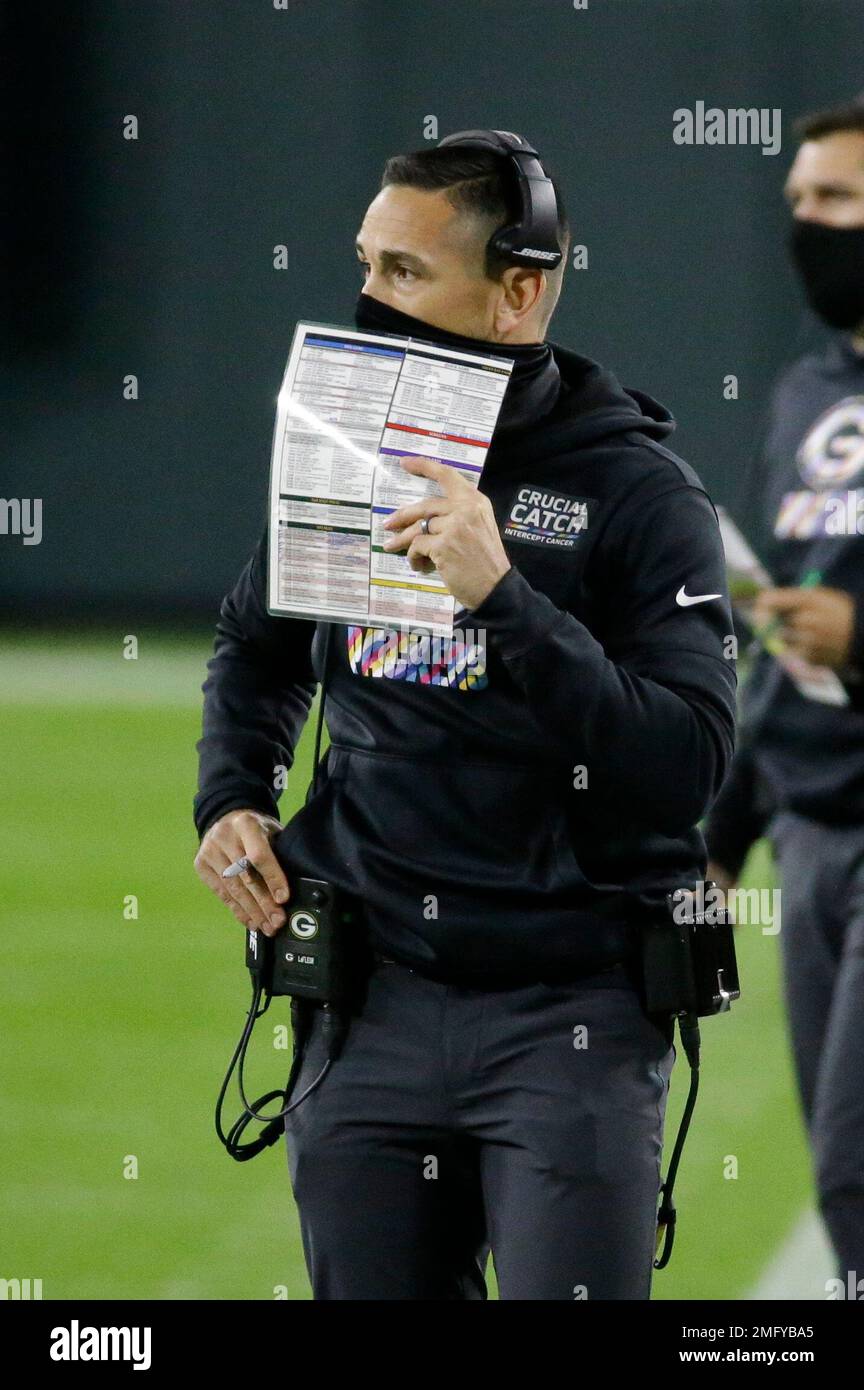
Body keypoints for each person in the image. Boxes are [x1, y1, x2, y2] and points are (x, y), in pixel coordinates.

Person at [194, 131, 736, 1300]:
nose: (366, 299)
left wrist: (506, 601)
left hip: (569, 1022)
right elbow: (257, 645)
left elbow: (687, 763)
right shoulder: (352, 455)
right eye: (365, 264)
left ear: (519, 292)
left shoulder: (639, 492)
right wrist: (236, 791)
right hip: (370, 996)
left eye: (403, 272)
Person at [706, 97, 864, 1283]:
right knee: (836, 1156)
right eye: (797, 201)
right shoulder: (804, 392)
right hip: (812, 829)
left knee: (859, 1161)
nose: (806, 225)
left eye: (838, 203)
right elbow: (776, 644)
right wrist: (722, 839)